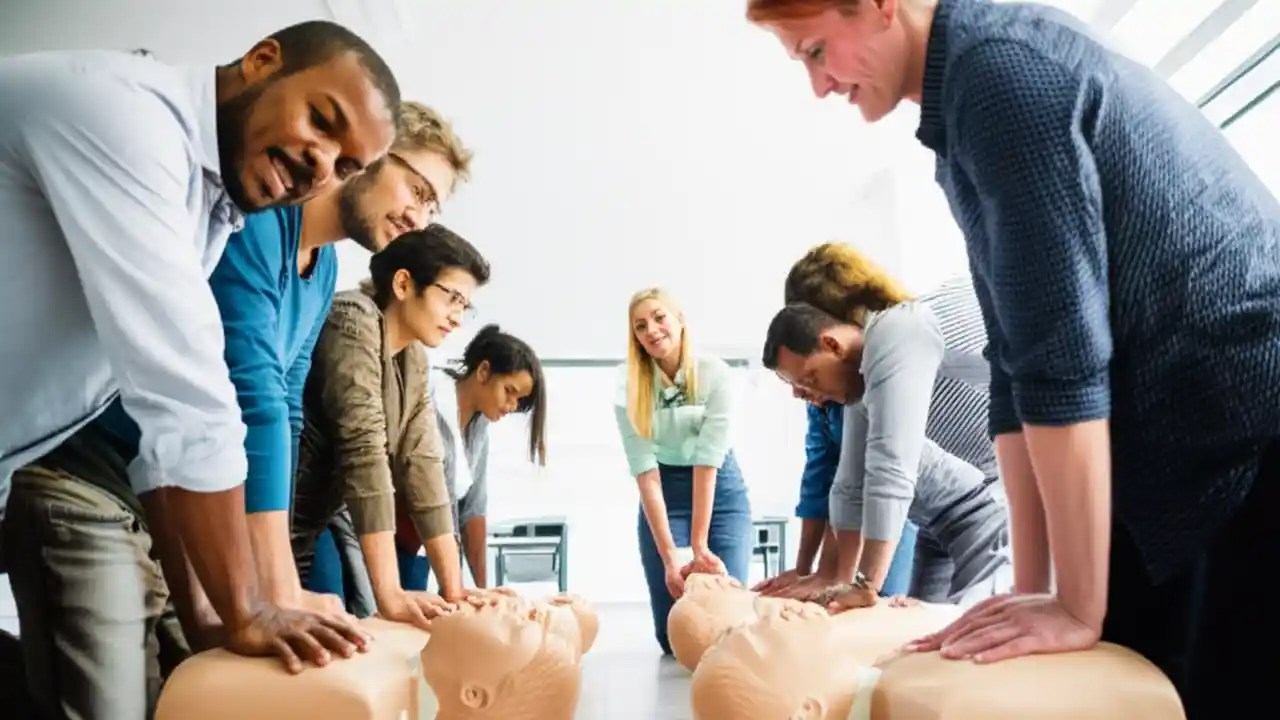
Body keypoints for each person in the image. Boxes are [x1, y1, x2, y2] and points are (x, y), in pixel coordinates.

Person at [747, 1, 1280, 716]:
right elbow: (1017, 371)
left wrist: (1074, 603)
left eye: (815, 51)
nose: (818, 85)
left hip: (1241, 425)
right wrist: (1035, 588)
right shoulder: (957, 118)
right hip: (1179, 439)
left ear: (878, 6)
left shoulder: (1000, 75)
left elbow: (1065, 365)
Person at [0, 19, 399, 718]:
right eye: (321, 120)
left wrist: (212, 617)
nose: (321, 166)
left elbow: (164, 442)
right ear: (260, 61)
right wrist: (246, 607)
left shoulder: (209, 211)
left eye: (345, 167)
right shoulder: (127, 116)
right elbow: (189, 397)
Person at [760, 243, 1010, 610]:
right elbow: (846, 483)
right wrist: (832, 578)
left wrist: (864, 584)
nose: (807, 393)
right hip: (940, 520)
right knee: (914, 640)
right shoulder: (860, 383)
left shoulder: (897, 330)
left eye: (809, 379)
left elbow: (889, 468)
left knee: (960, 630)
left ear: (828, 334)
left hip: (993, 509)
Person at [290, 225, 491, 629]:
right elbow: (364, 454)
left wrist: (455, 589)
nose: (457, 316)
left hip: (301, 534)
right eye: (452, 297)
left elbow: (424, 467)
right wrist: (390, 596)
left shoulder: (412, 358)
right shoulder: (352, 320)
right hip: (263, 528)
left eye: (465, 306)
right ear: (403, 283)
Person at [615, 287, 753, 655]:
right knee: (672, 637)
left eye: (660, 317)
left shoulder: (716, 374)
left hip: (718, 490)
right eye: (640, 326)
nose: (652, 330)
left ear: (679, 320)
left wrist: (699, 545)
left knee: (727, 624)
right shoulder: (628, 387)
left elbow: (708, 461)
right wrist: (671, 556)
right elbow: (645, 474)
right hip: (664, 493)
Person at [394, 324, 549, 592]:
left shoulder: (479, 429)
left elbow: (472, 509)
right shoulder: (426, 398)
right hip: (383, 539)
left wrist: (481, 589)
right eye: (509, 391)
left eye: (519, 401)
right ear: (484, 371)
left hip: (415, 553)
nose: (512, 406)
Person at [752, 385, 918, 599]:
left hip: (896, 507)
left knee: (875, 604)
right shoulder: (818, 401)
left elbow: (856, 484)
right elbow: (819, 478)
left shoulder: (865, 392)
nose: (796, 392)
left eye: (805, 378)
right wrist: (803, 570)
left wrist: (835, 577)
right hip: (860, 503)